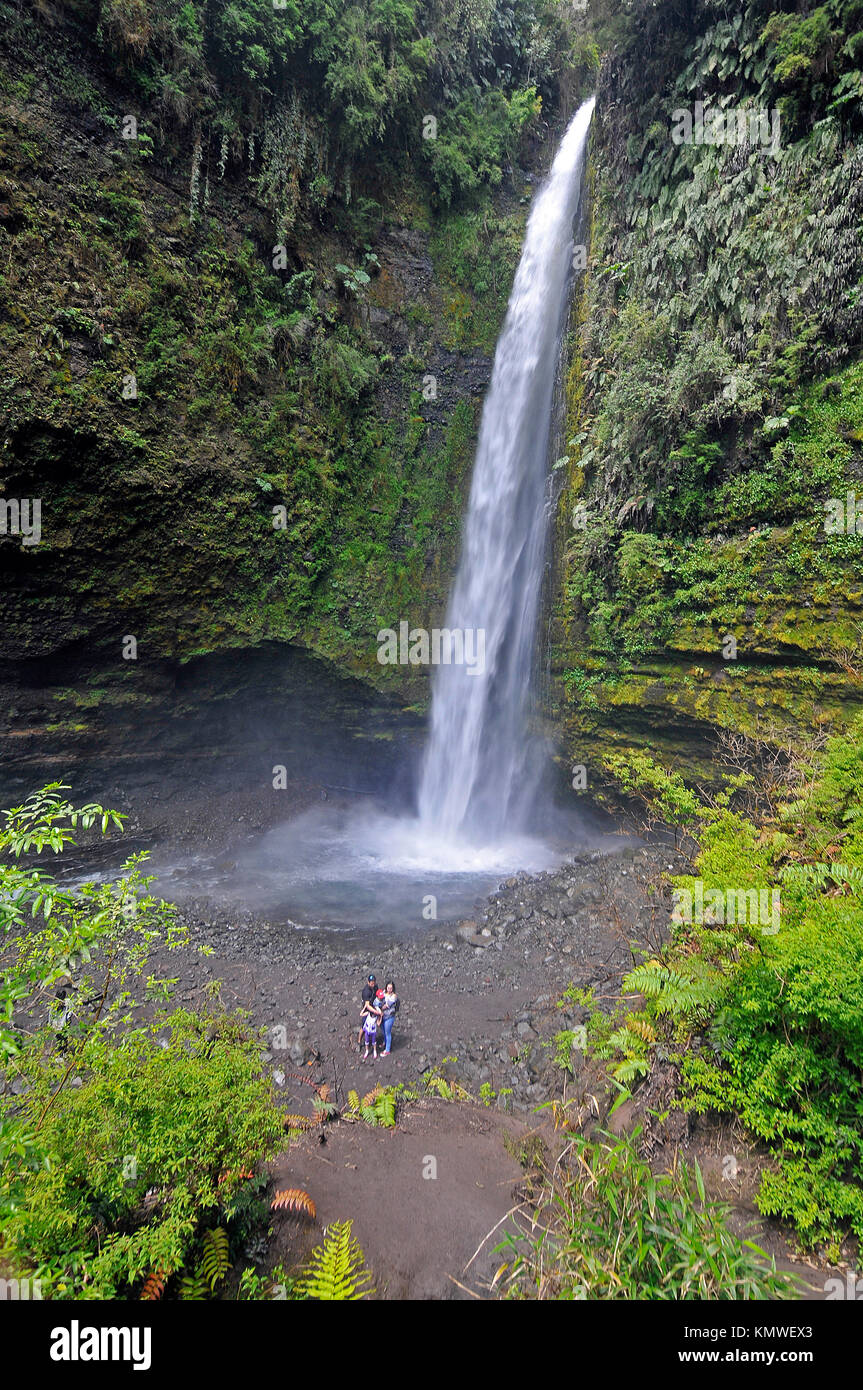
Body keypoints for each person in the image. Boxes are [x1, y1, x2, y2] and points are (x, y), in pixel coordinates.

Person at [357, 973, 376, 1050]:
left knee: (372, 1025)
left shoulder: (375, 987)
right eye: (371, 983)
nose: (373, 985)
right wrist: (376, 1011)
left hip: (373, 1008)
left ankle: (371, 1038)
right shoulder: (366, 992)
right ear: (368, 982)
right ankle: (359, 1041)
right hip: (367, 1011)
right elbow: (367, 1005)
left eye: (374, 983)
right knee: (363, 1026)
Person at [380, 980, 399, 1056]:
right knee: (383, 1031)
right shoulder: (384, 992)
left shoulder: (394, 996)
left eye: (391, 988)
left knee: (387, 1032)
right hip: (382, 1016)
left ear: (393, 988)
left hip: (389, 1016)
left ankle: (387, 1050)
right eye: (388, 988)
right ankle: (385, 1042)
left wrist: (379, 1008)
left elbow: (387, 1005)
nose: (389, 990)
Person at [360, 994, 382, 1062]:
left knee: (374, 1042)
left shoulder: (376, 1017)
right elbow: (361, 1014)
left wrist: (381, 1016)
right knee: (366, 1041)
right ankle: (367, 1051)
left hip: (373, 1031)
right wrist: (365, 1007)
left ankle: (375, 1051)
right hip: (367, 1030)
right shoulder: (368, 1013)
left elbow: (378, 1023)